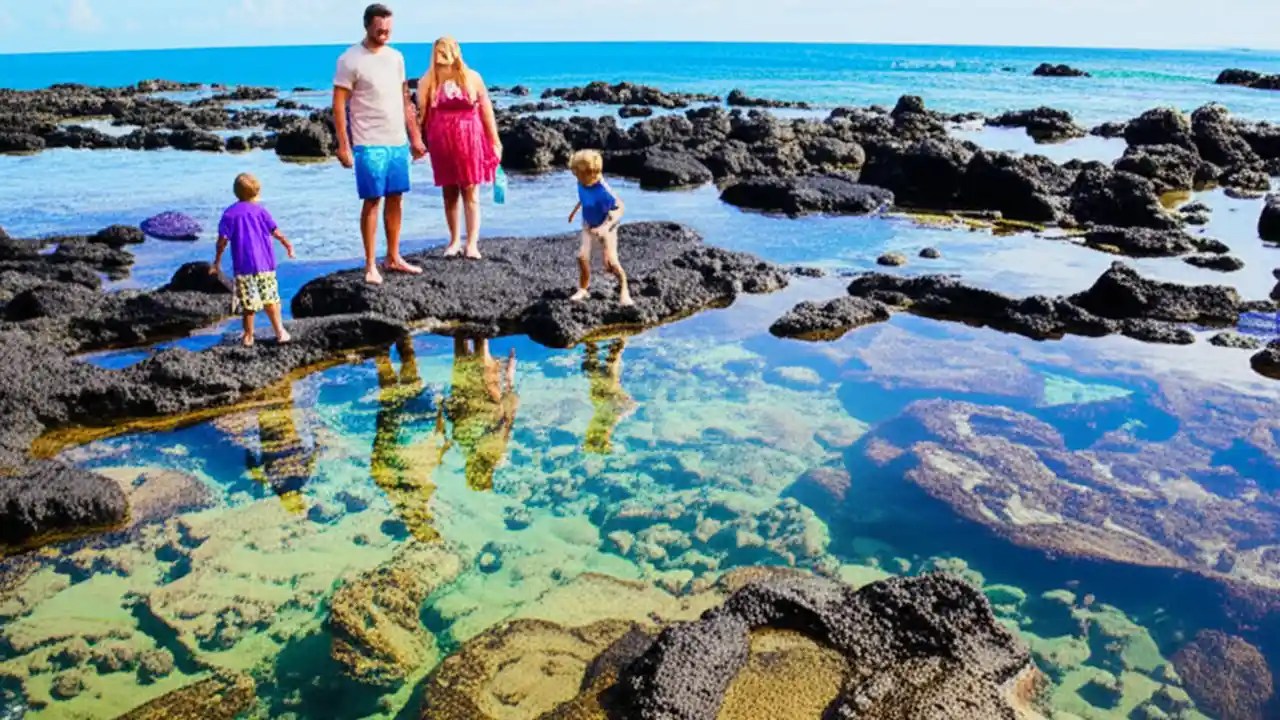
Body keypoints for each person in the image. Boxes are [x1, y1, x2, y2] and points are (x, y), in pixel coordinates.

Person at [333, 3, 428, 285]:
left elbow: (405, 99)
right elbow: (339, 105)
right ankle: (370, 264)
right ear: (367, 26)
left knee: (396, 197)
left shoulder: (396, 57)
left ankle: (394, 257)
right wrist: (343, 145)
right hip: (367, 142)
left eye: (388, 28)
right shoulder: (349, 59)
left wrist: (416, 137)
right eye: (379, 28)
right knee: (373, 201)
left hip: (396, 140)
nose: (385, 32)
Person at [417, 37, 502, 259]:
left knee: (470, 189)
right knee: (449, 191)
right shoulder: (429, 80)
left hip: (469, 137)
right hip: (442, 139)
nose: (441, 57)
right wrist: (419, 142)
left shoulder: (472, 78)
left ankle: (472, 243)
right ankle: (454, 240)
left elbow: (486, 111)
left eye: (445, 52)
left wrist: (494, 141)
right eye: (438, 52)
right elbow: (422, 115)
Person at [211, 173, 295, 347]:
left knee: (249, 304)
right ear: (257, 192)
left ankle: (248, 336)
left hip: (243, 267)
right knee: (271, 300)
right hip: (265, 265)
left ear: (236, 193)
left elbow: (222, 242)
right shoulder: (261, 211)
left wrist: (216, 263)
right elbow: (276, 231)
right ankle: (280, 331)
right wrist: (287, 245)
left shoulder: (230, 214)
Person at [443, 338, 518, 491]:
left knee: (469, 344)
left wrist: (510, 378)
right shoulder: (491, 453)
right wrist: (509, 377)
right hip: (477, 397)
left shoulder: (474, 450)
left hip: (478, 398)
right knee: (469, 344)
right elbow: (507, 421)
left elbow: (508, 419)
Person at [567, 150, 633, 306]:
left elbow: (619, 209)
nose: (576, 177)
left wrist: (605, 227)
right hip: (588, 223)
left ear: (591, 173)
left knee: (610, 262)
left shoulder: (603, 190)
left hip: (606, 226)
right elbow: (583, 197)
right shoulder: (582, 182)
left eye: (578, 174)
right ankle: (583, 289)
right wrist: (574, 212)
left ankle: (624, 291)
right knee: (582, 257)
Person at [583, 338, 637, 454]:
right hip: (605, 395)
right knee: (608, 362)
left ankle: (595, 343)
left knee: (603, 363)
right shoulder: (604, 426)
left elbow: (619, 411)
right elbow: (617, 412)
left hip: (603, 396)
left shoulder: (603, 425)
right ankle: (620, 339)